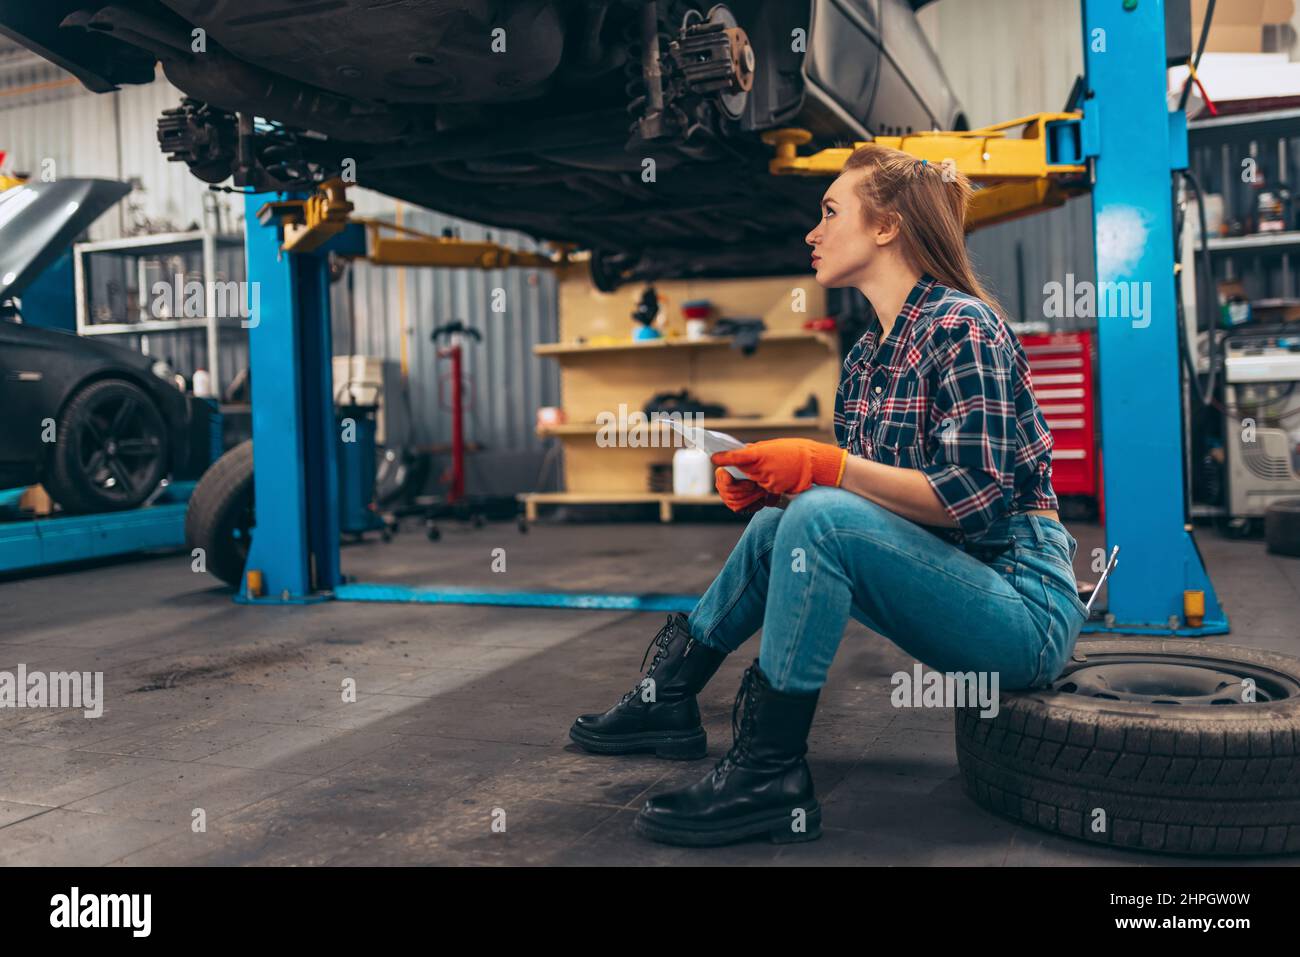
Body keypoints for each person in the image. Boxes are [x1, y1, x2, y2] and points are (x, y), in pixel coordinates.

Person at [568, 143, 1090, 847]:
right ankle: (668, 697)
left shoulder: (962, 327)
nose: (812, 233)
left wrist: (822, 467)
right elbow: (873, 508)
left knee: (816, 512)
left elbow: (973, 498)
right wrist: (775, 485)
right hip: (957, 578)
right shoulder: (870, 355)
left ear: (886, 227)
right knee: (781, 524)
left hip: (1023, 609)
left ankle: (769, 770)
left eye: (829, 212)